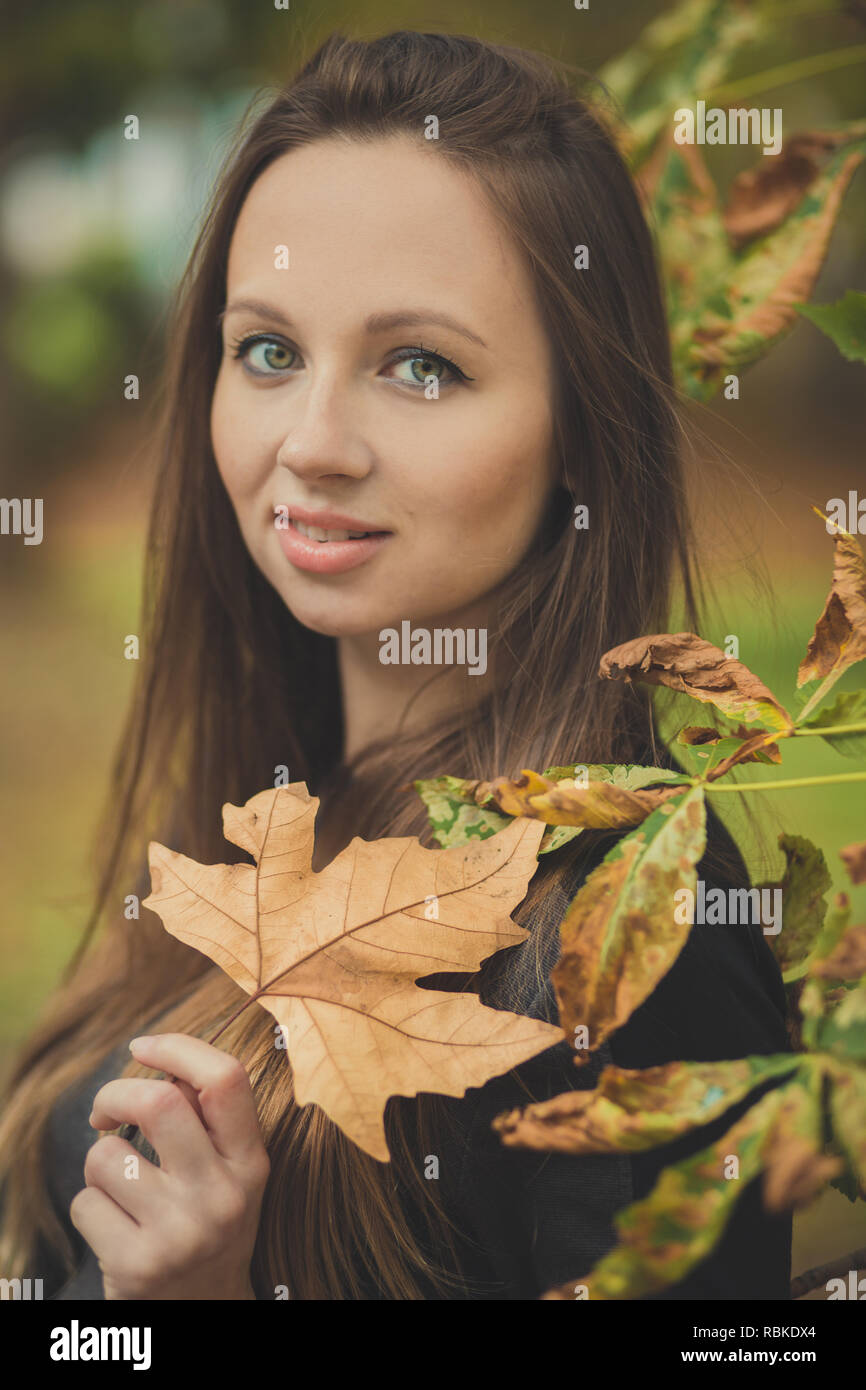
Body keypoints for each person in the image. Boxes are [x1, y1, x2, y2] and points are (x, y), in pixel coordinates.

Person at [0, 30, 791, 1301]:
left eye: (419, 366)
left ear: (584, 434)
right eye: (267, 351)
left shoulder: (638, 935)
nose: (311, 442)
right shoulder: (248, 813)